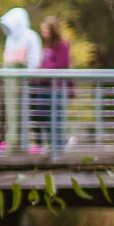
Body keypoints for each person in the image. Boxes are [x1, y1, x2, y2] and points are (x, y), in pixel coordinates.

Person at [0, 7, 36, 151]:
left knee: (26, 111)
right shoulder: (10, 39)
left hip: (25, 81)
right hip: (10, 82)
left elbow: (34, 59)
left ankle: (27, 142)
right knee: (11, 111)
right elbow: (7, 58)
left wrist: (29, 72)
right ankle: (12, 140)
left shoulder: (30, 36)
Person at [37, 15, 75, 153]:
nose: (44, 33)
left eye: (46, 30)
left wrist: (44, 69)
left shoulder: (62, 45)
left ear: (53, 30)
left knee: (56, 117)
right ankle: (56, 144)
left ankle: (59, 147)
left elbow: (62, 65)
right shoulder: (47, 46)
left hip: (57, 87)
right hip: (44, 87)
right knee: (42, 114)